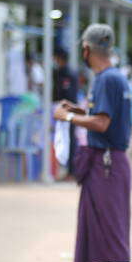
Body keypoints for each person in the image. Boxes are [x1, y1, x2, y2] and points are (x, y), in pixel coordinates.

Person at [52, 24, 132, 262]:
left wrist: (66, 117)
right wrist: (79, 111)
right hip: (106, 164)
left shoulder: (107, 79)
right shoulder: (112, 76)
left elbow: (101, 122)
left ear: (86, 49)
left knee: (109, 235)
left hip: (107, 165)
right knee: (98, 233)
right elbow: (101, 114)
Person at [52, 46, 80, 174]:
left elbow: (66, 94)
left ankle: (72, 170)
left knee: (69, 139)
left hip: (68, 109)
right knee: (65, 138)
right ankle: (68, 169)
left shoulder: (66, 73)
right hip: (65, 109)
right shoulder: (62, 71)